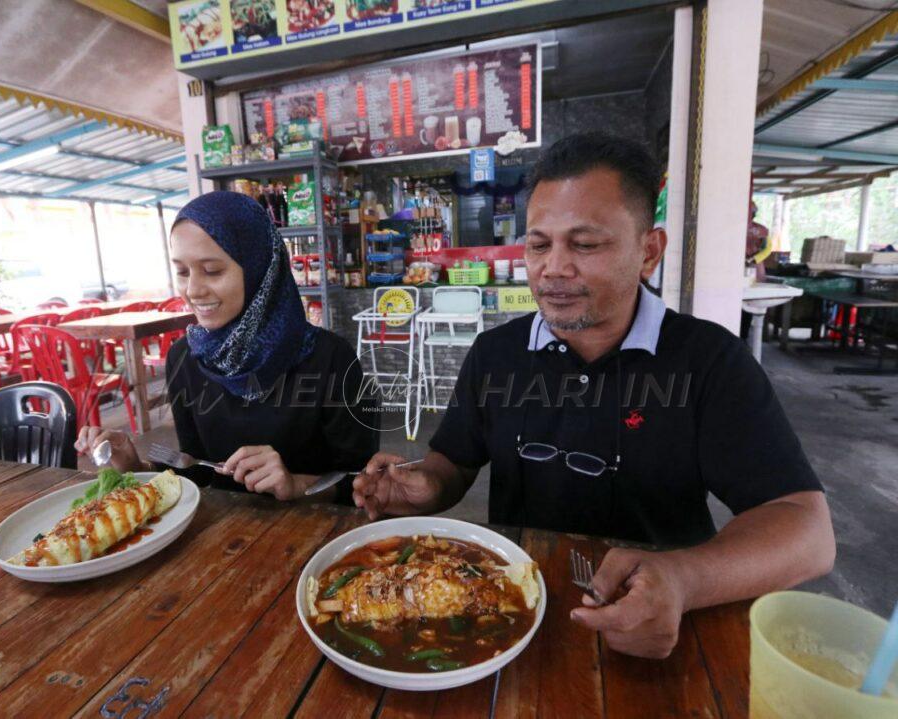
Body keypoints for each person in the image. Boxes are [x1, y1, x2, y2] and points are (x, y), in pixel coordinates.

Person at [352, 132, 835, 658]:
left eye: (585, 244)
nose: (553, 267)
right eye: (539, 245)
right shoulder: (496, 354)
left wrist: (683, 578)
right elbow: (455, 463)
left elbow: (806, 531)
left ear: (648, 251)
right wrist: (424, 484)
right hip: (508, 620)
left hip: (658, 628)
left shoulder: (708, 361)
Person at [76, 191, 378, 501]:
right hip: (223, 535)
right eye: (182, 272)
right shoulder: (185, 358)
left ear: (260, 267)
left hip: (316, 534)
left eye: (212, 271)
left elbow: (366, 484)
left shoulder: (330, 359)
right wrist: (135, 465)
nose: (192, 290)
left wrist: (294, 484)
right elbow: (198, 471)